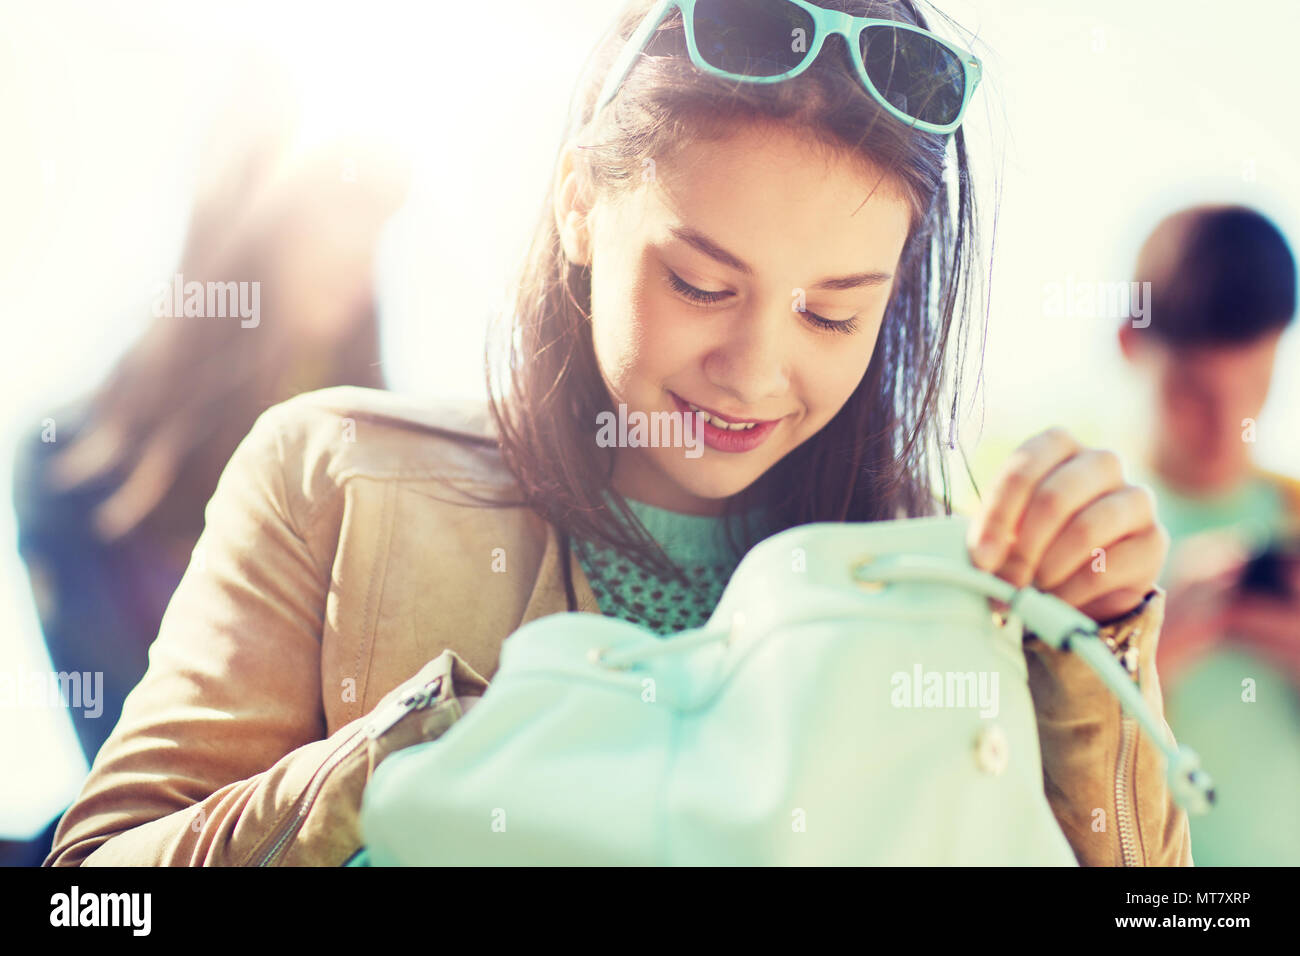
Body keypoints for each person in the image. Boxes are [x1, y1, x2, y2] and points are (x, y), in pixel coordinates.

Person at [44, 0, 1189, 867]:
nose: (754, 369)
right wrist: (399, 766)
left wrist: (1092, 645)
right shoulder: (338, 479)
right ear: (579, 206)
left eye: (832, 312)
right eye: (700, 284)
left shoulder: (952, 581)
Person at [8, 121, 406, 865]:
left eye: (374, 222)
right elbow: (136, 756)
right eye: (331, 210)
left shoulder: (391, 462)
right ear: (249, 218)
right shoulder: (66, 470)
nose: (358, 248)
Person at [1117, 204, 1300, 865]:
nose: (1230, 425)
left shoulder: (1294, 516)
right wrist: (1143, 666)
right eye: (1195, 393)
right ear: (1130, 344)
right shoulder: (1086, 539)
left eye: (1256, 384)